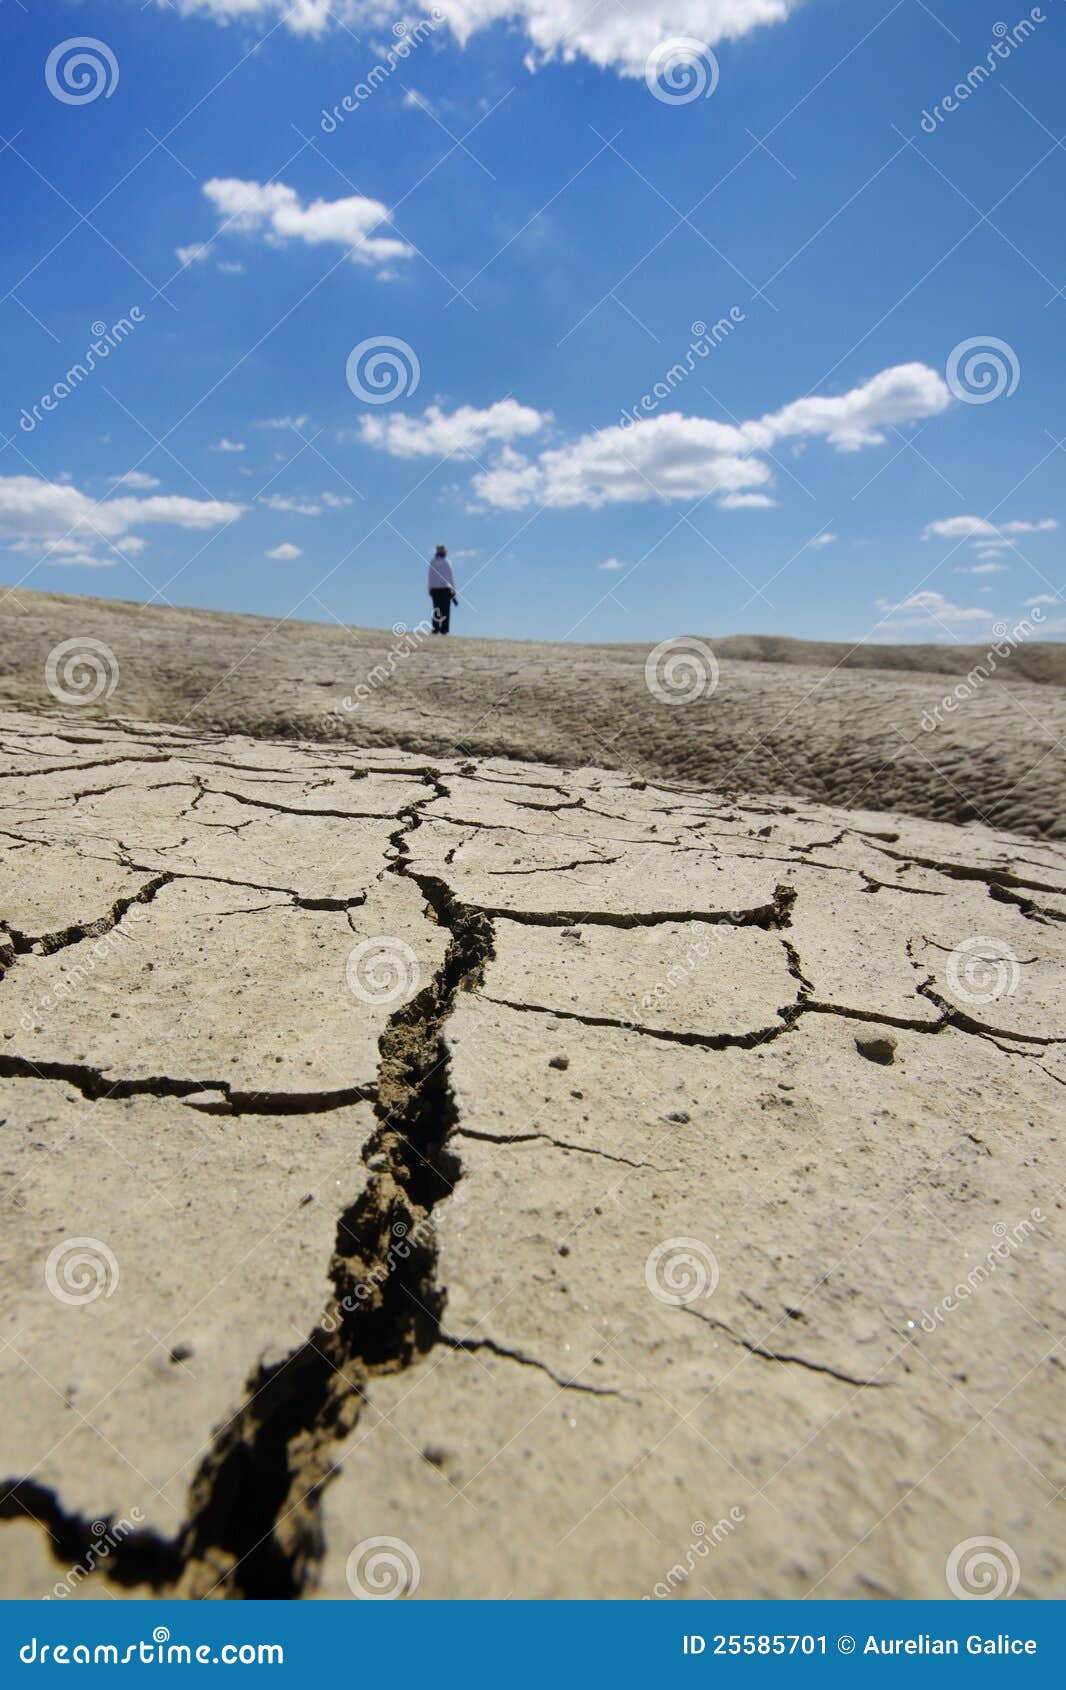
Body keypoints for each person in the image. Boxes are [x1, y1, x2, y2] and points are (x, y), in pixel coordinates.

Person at [428, 543, 458, 634]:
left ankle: (435, 629)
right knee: (445, 611)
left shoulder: (433, 562)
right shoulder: (446, 562)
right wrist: (454, 590)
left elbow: (430, 576)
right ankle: (444, 630)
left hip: (435, 589)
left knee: (436, 609)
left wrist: (429, 589)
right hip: (445, 589)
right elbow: (450, 577)